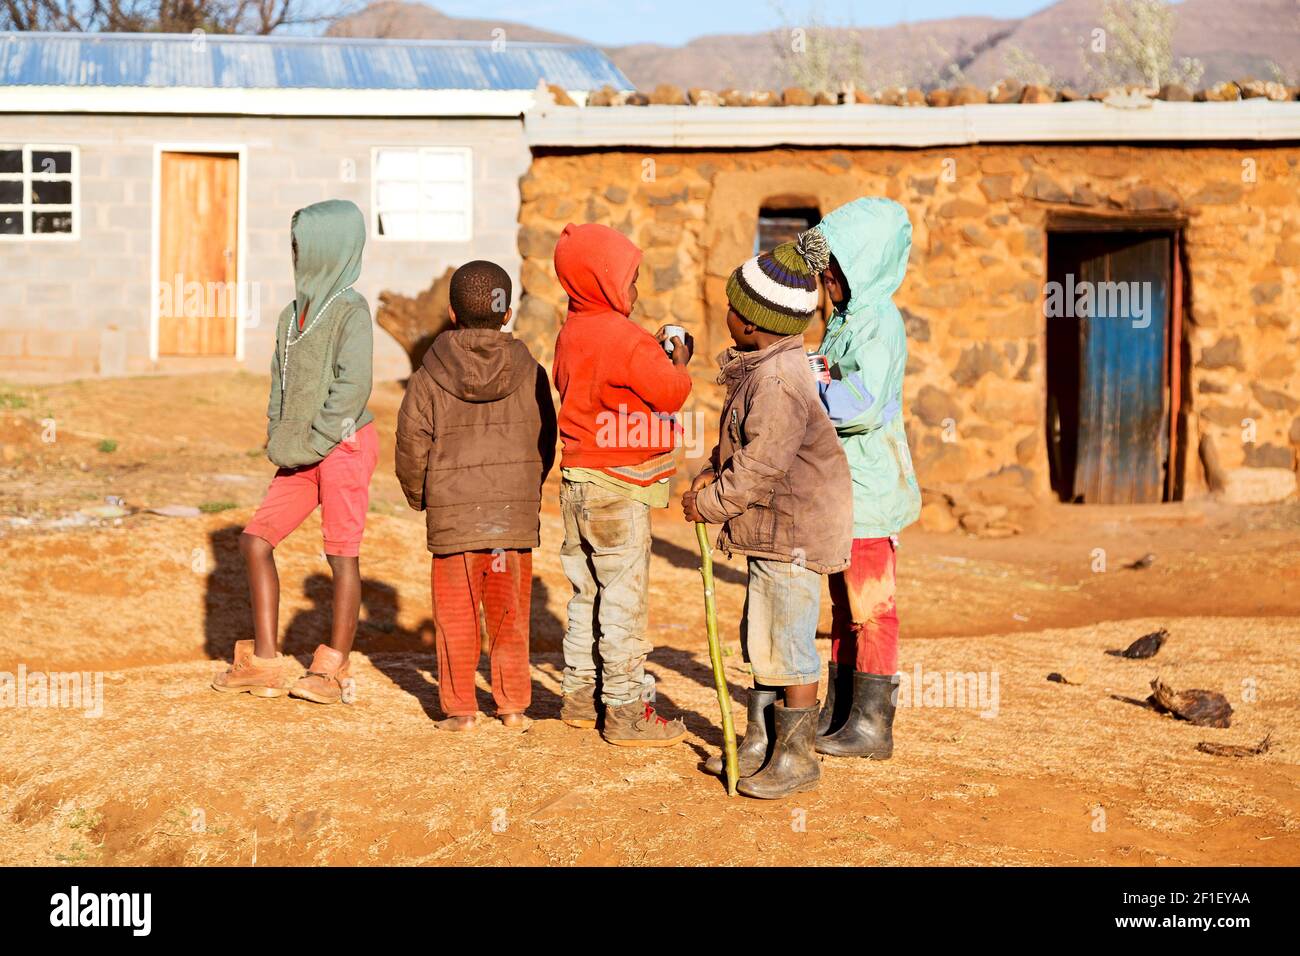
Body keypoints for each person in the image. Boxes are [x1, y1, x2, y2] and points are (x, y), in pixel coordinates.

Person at [683, 238, 853, 799]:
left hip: (795, 532)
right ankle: (760, 741)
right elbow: (740, 443)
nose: (724, 315)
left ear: (752, 322)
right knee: (763, 637)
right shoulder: (764, 366)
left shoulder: (778, 381)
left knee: (789, 644)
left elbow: (760, 464)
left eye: (731, 307)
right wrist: (712, 469)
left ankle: (797, 759)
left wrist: (710, 505)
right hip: (774, 529)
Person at [213, 199, 377, 704]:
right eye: (292, 244)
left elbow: (353, 387)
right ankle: (264, 663)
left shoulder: (351, 310)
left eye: (301, 244)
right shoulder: (291, 316)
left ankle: (330, 671)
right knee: (255, 541)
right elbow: (279, 384)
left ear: (331, 248)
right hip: (300, 451)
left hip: (344, 446)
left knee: (340, 555)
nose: (294, 253)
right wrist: (278, 434)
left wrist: (317, 438)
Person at [394, 260, 555, 731]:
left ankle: (461, 710)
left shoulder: (428, 375)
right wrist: (525, 491)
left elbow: (410, 444)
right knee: (509, 615)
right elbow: (546, 441)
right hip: (511, 520)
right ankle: (512, 707)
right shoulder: (532, 372)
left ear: (450, 311)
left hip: (453, 521)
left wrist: (421, 496)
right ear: (507, 314)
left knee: (456, 618)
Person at [551, 222, 694, 746]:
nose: (635, 292)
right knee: (623, 602)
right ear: (605, 282)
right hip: (620, 489)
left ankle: (577, 695)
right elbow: (670, 393)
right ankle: (626, 709)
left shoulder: (571, 332)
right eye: (630, 281)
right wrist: (676, 361)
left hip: (576, 483)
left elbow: (582, 382)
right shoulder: (629, 340)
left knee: (585, 592)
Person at [800, 198, 921, 759]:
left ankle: (872, 724)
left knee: (871, 608)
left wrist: (811, 390)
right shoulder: (849, 318)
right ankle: (843, 710)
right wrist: (819, 371)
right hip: (843, 489)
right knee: (844, 607)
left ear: (863, 265)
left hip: (869, 489)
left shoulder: (879, 322)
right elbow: (839, 376)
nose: (826, 277)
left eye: (837, 267)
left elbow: (864, 404)